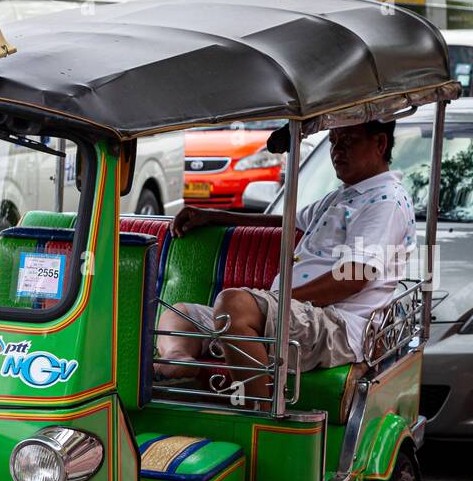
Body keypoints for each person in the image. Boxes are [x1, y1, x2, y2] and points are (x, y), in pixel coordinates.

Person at [155, 119, 415, 398]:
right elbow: (284, 220)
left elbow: (352, 278)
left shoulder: (385, 202)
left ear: (379, 144)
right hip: (296, 312)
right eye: (333, 142)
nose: (337, 151)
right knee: (180, 314)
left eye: (348, 141)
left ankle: (261, 416)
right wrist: (213, 215)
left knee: (232, 305)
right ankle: (180, 365)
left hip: (335, 324)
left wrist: (283, 298)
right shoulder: (343, 197)